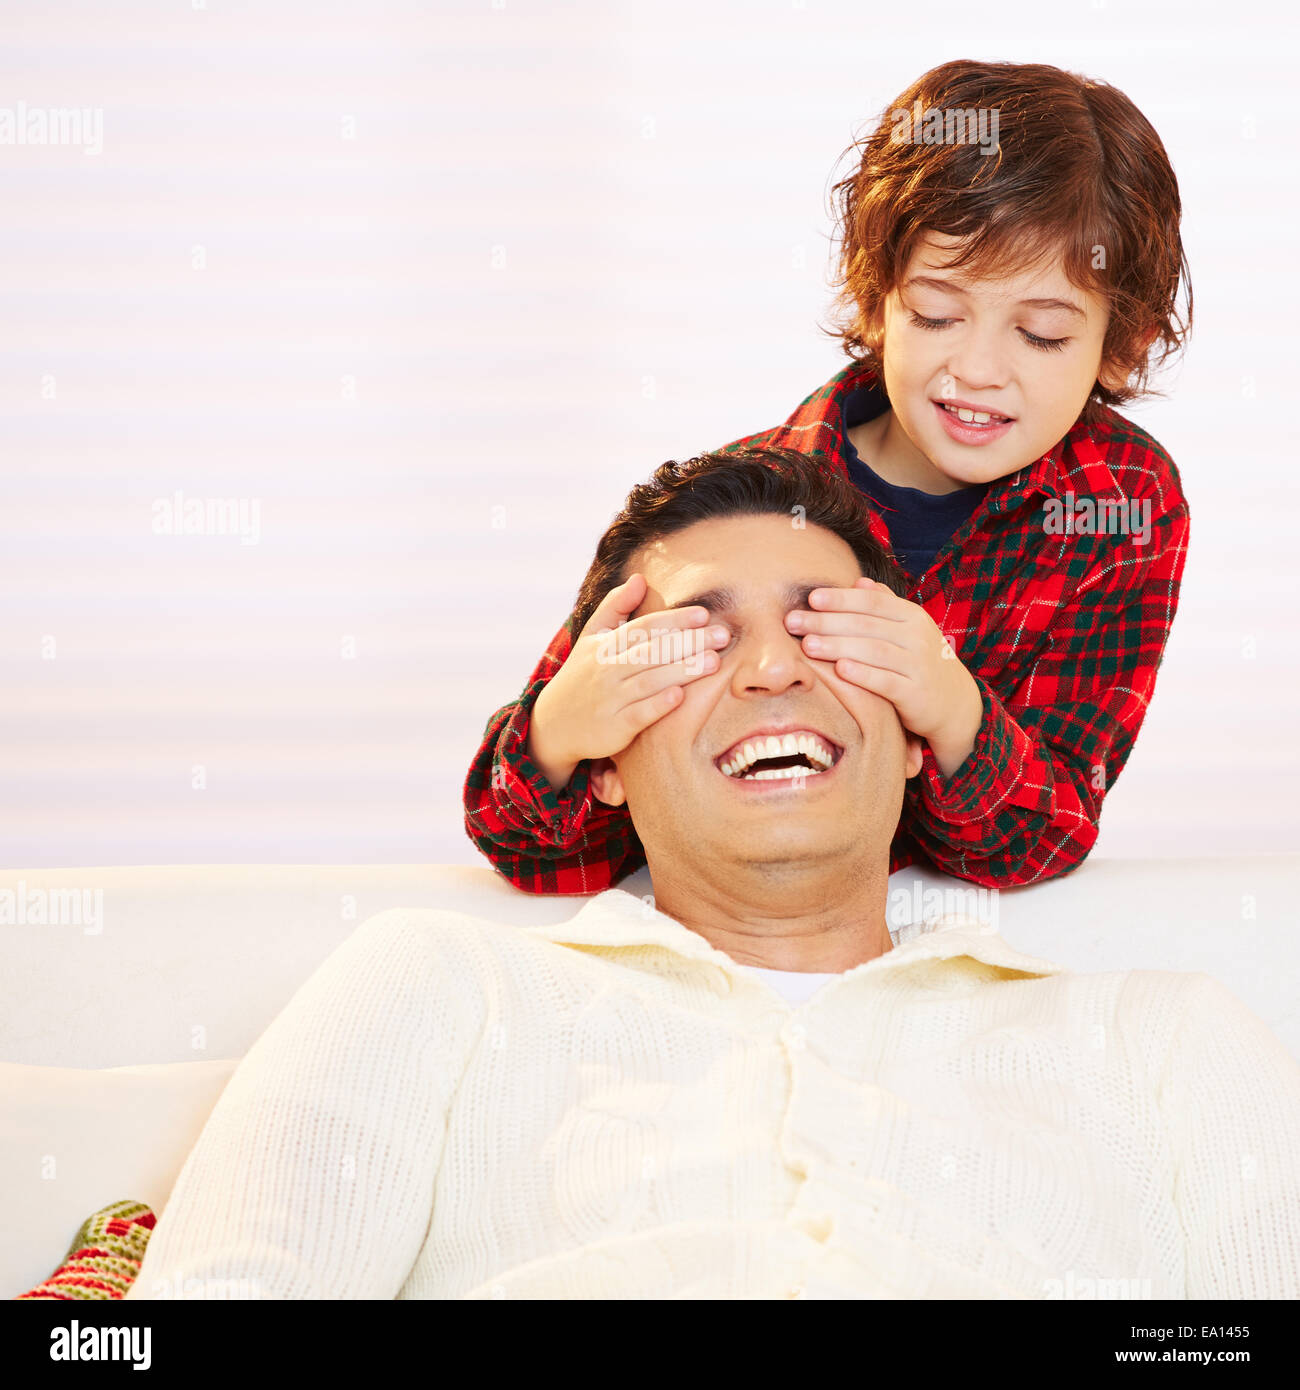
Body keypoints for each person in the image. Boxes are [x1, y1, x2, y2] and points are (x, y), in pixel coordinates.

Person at [126, 452, 1295, 1301]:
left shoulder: (1163, 1040)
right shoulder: (433, 984)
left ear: (915, 722)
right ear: (608, 763)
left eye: (829, 627)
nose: (773, 666)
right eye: (698, 638)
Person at [463, 58, 1192, 894]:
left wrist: (951, 708)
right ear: (876, 301)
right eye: (937, 314)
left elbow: (1042, 838)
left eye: (1042, 334)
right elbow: (534, 848)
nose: (980, 369)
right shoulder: (738, 511)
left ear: (1123, 342)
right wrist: (561, 732)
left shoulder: (1124, 504)